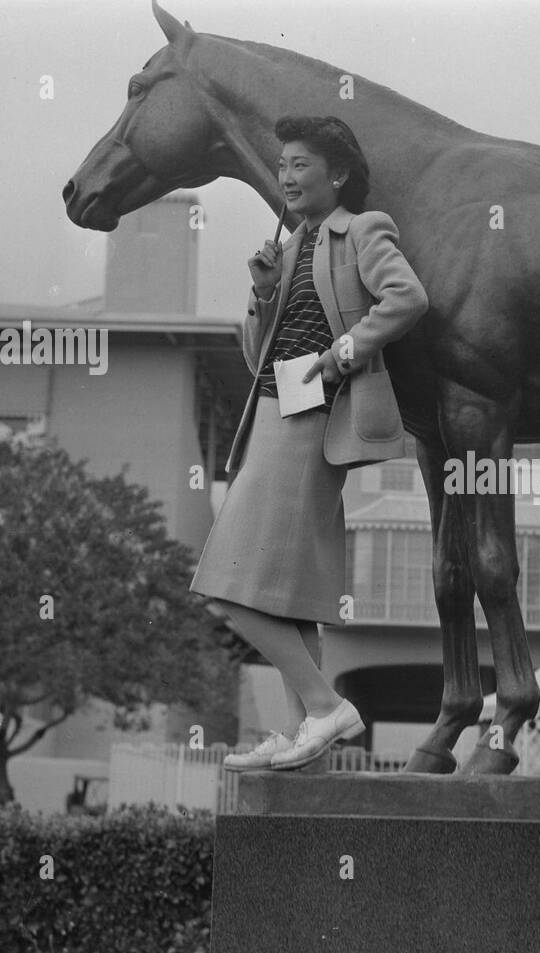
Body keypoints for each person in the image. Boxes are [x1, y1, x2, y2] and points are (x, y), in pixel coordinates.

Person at [189, 115, 428, 771]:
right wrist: (263, 293)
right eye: (283, 165)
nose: (287, 177)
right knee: (288, 598)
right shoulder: (291, 247)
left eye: (300, 164)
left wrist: (343, 353)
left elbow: (408, 297)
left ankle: (327, 707)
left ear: (339, 174)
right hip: (274, 404)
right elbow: (254, 356)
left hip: (310, 412)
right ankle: (301, 732)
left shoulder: (364, 231)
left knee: (225, 590)